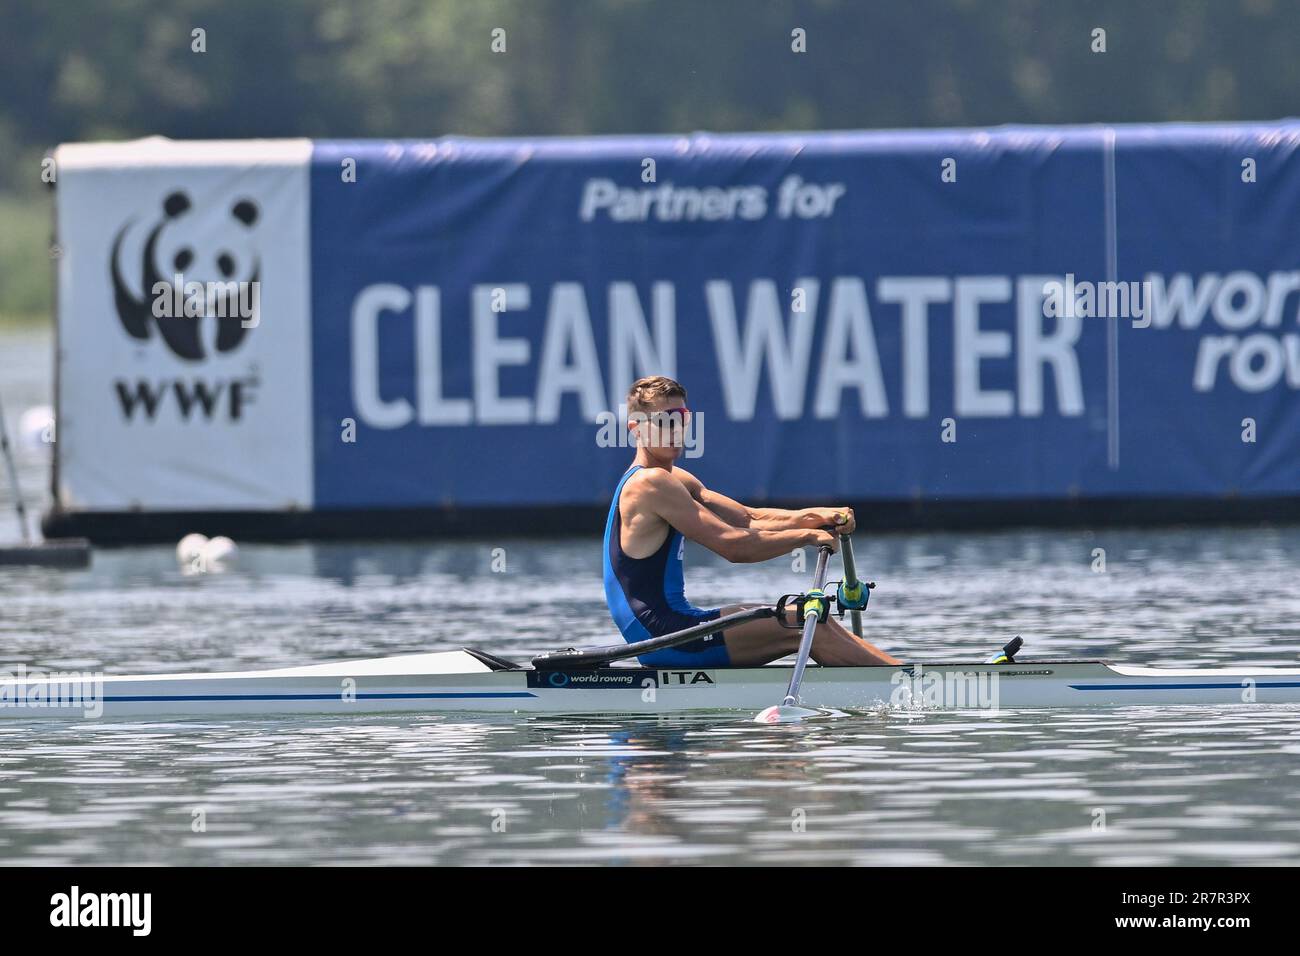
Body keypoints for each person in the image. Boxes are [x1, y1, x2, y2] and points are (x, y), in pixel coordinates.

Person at [604, 375, 900, 668]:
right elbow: (734, 546)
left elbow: (748, 518)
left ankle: (899, 677)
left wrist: (817, 517)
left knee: (810, 617)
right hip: (665, 637)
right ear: (637, 429)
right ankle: (910, 685)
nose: (676, 429)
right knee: (805, 624)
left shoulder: (674, 478)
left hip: (673, 627)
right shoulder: (650, 483)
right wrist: (807, 537)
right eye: (665, 421)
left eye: (682, 419)